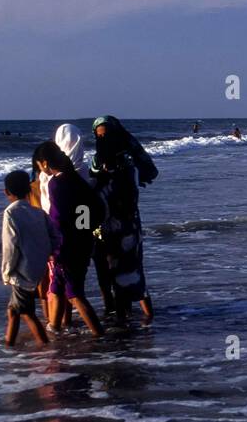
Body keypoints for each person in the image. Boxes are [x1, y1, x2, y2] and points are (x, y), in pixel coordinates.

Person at [33, 142, 105, 336]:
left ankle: (100, 335)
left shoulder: (57, 183)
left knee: (74, 294)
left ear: (45, 163)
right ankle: (54, 330)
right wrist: (85, 230)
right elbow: (98, 210)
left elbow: (58, 219)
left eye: (39, 165)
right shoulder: (77, 180)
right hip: (83, 242)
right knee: (56, 288)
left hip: (66, 247)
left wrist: (52, 246)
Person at [91, 116, 156, 324]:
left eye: (106, 134)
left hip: (121, 224)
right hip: (119, 224)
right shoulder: (125, 160)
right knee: (121, 269)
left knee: (124, 269)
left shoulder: (121, 161)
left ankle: (123, 320)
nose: (103, 138)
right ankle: (129, 316)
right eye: (99, 135)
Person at [1, 170, 56, 348]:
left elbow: (10, 247)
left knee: (26, 312)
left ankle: (45, 345)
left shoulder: (10, 213)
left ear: (7, 192)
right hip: (37, 268)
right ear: (28, 190)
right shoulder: (38, 212)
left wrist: (7, 272)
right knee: (14, 310)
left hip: (20, 271)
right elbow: (53, 237)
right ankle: (9, 343)